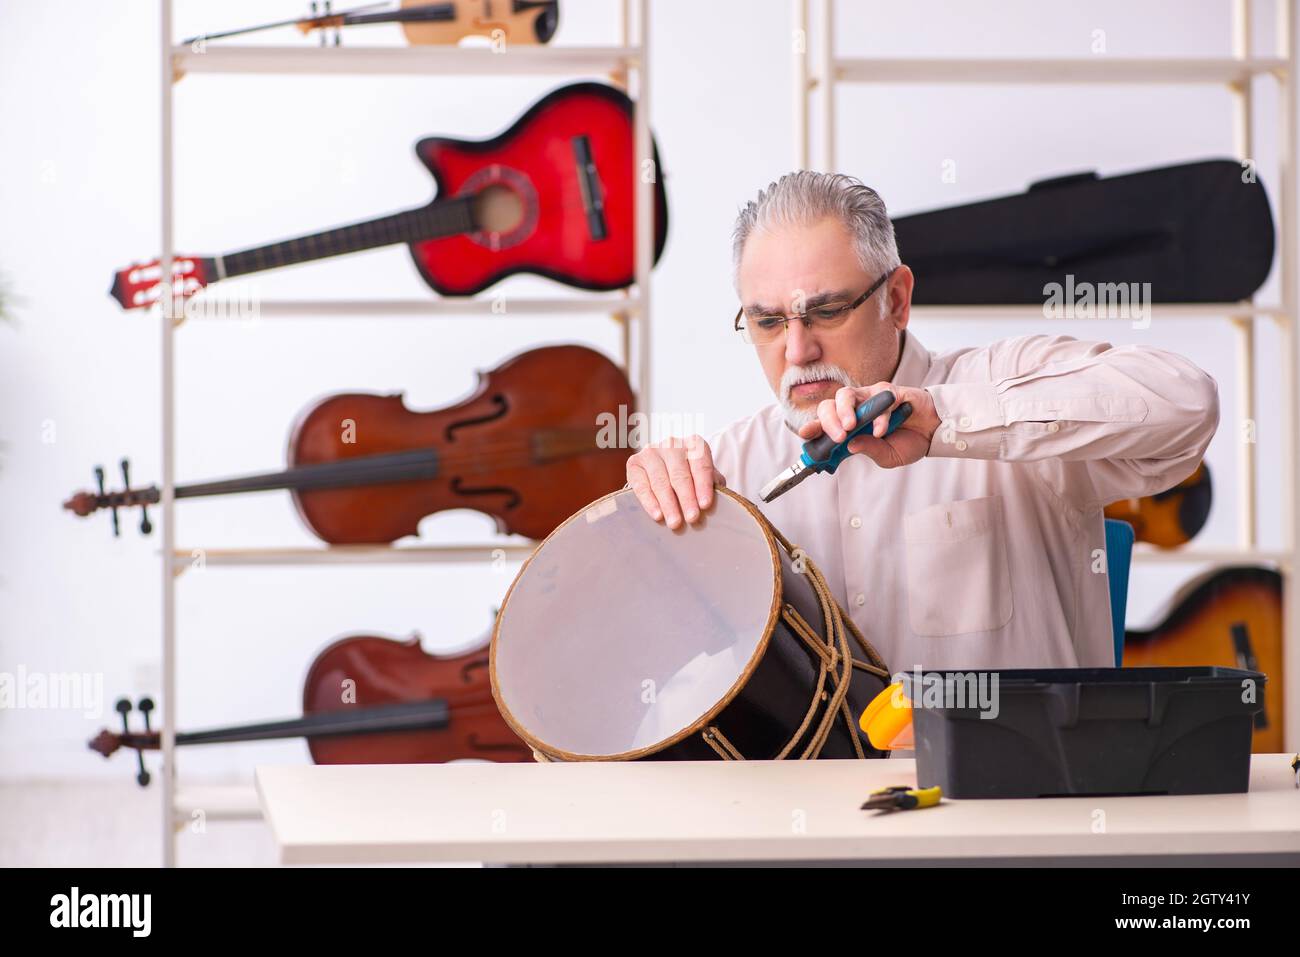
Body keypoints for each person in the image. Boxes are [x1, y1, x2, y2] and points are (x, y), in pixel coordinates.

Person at [625, 171, 1219, 671]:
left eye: (826, 311)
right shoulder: (728, 471)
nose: (798, 350)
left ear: (898, 299)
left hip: (1014, 805)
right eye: (769, 322)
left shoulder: (1000, 381)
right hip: (804, 809)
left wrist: (949, 420)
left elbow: (1187, 404)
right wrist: (651, 525)